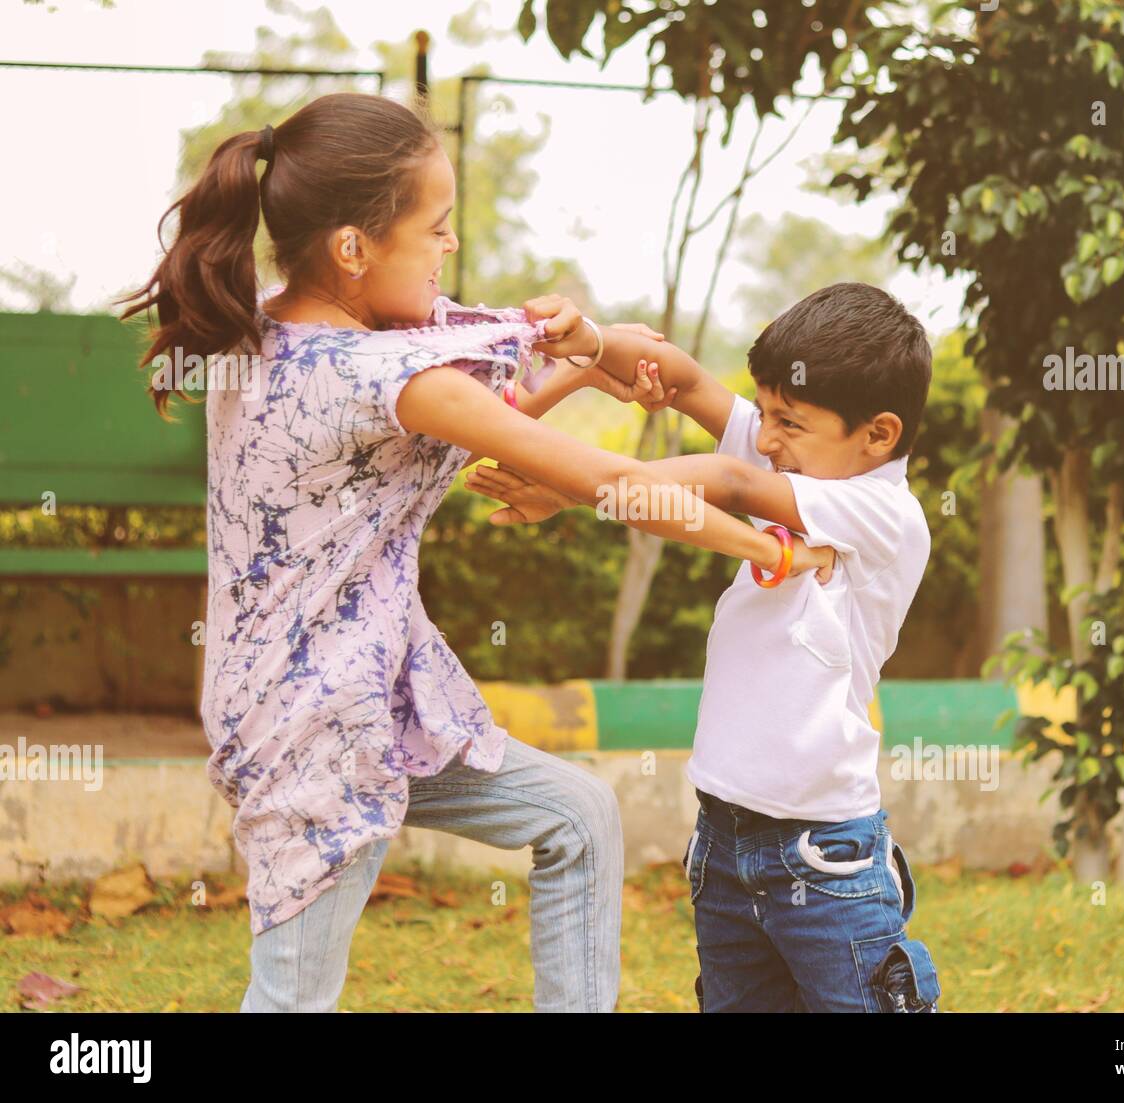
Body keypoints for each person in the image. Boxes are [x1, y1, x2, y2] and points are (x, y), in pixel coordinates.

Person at [116, 91, 833, 1013]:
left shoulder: (267, 328)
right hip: (316, 733)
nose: (449, 248)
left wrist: (586, 360)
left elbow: (436, 438)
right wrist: (766, 549)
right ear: (353, 247)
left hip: (365, 698)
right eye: (437, 228)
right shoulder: (383, 371)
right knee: (291, 995)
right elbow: (604, 481)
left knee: (577, 814)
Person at [467, 282, 943, 1012]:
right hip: (723, 843)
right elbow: (682, 378)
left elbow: (725, 479)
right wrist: (591, 341)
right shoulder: (806, 456)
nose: (768, 435)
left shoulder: (884, 512)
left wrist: (565, 490)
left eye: (788, 421)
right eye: (767, 412)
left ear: (877, 434)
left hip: (824, 860)